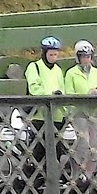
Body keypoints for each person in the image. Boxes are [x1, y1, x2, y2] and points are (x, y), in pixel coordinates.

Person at [62, 40, 97, 181]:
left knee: (94, 146)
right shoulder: (71, 73)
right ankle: (77, 175)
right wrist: (85, 95)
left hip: (94, 112)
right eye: (83, 56)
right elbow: (69, 94)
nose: (86, 59)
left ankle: (89, 176)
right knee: (82, 144)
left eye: (88, 56)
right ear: (78, 57)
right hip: (79, 113)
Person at [24, 35, 67, 177]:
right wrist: (50, 94)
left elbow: (63, 88)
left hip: (56, 116)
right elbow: (34, 87)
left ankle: (50, 179)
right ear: (44, 53)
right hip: (40, 116)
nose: (54, 57)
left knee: (56, 151)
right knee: (38, 152)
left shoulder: (58, 70)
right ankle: (34, 180)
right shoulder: (34, 67)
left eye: (56, 54)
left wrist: (64, 110)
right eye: (51, 54)